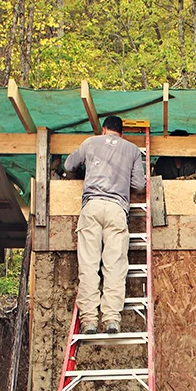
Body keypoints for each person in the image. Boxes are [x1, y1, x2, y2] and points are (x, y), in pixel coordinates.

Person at [64, 115, 146, 335]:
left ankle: (89, 320)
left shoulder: (91, 142)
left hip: (91, 207)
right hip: (116, 210)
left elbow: (69, 165)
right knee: (115, 266)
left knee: (89, 265)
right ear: (122, 133)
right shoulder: (132, 150)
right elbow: (139, 185)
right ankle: (111, 319)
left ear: (104, 129)